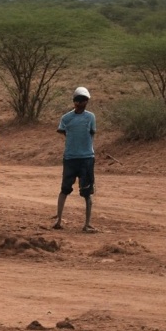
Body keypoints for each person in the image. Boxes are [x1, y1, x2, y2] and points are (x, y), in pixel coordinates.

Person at [54, 86, 98, 232]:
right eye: (79, 100)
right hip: (73, 158)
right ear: (75, 101)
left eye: (83, 100)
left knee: (87, 192)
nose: (81, 103)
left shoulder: (90, 117)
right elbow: (63, 130)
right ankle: (59, 220)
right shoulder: (67, 118)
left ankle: (87, 223)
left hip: (85, 158)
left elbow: (64, 131)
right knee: (65, 189)